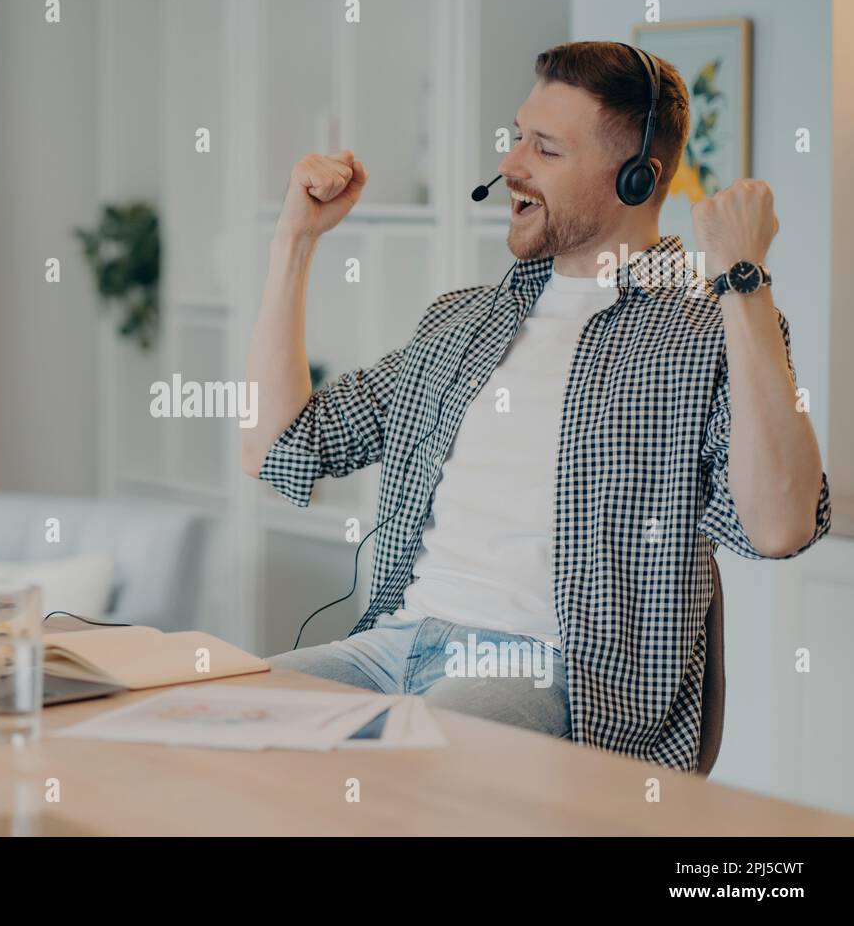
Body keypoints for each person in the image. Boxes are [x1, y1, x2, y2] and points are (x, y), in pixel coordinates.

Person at [243, 41, 830, 771]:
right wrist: (293, 242)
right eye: (518, 136)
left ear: (635, 177)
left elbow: (779, 525)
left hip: (546, 670)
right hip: (390, 646)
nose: (513, 164)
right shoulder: (463, 323)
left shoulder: (707, 329)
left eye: (545, 149)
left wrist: (744, 277)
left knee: (405, 773)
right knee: (202, 728)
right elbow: (276, 447)